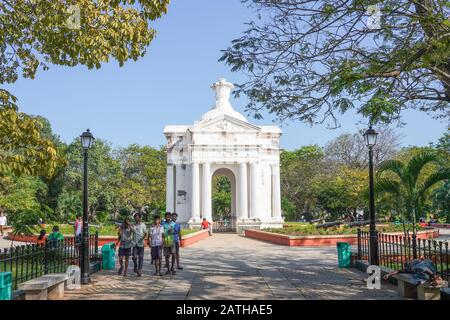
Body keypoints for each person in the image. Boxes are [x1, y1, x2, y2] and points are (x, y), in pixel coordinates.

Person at [132, 212, 147, 277]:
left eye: (138, 218)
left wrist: (142, 238)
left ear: (140, 218)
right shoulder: (133, 225)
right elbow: (130, 231)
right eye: (135, 218)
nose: (137, 219)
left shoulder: (143, 225)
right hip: (135, 244)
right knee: (134, 257)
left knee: (141, 257)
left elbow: (146, 234)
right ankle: (135, 266)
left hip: (141, 244)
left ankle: (139, 270)